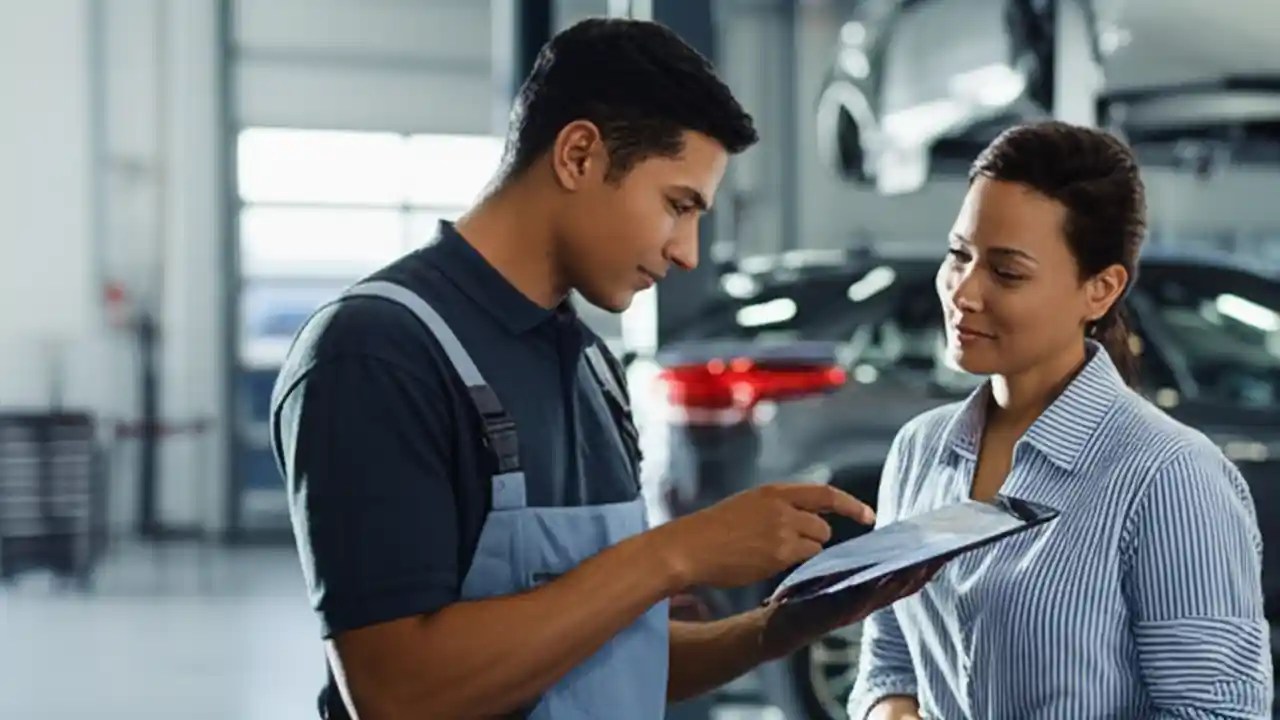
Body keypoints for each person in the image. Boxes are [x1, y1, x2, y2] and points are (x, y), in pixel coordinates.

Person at [270, 18, 930, 720]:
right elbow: (396, 693)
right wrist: (675, 553)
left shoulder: (591, 368)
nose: (688, 253)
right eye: (678, 206)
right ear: (580, 155)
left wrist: (779, 627)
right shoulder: (377, 353)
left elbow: (610, 654)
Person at [848, 120, 1274, 719]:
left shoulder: (1170, 477)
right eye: (958, 255)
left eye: (1007, 272)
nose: (964, 292)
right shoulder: (920, 451)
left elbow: (1217, 714)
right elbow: (888, 664)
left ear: (1100, 290)